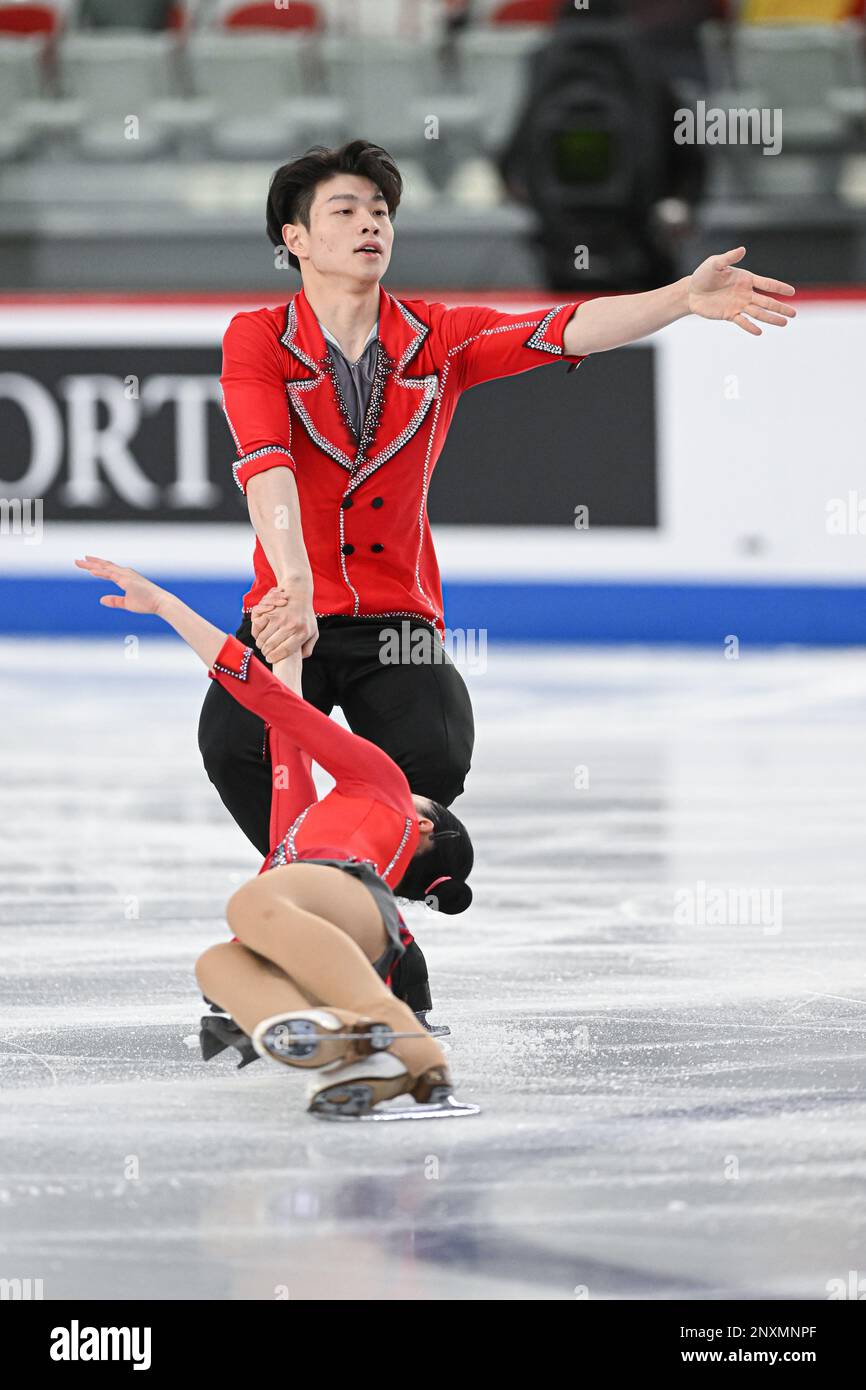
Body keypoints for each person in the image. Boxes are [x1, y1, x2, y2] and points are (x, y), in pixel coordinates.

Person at [197, 137, 796, 1019]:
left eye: (382, 212)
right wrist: (293, 587)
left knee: (431, 758)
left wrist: (679, 298)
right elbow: (266, 462)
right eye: (345, 212)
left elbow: (561, 330)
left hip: (395, 615)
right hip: (292, 603)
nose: (371, 225)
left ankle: (327, 923)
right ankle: (354, 933)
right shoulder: (258, 339)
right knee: (234, 746)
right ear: (294, 238)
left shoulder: (439, 338)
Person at [75, 553, 478, 1123]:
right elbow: (281, 707)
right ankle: (346, 1053)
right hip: (325, 926)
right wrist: (285, 649)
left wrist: (166, 606)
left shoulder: (383, 786)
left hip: (342, 901)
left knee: (252, 901)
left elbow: (258, 690)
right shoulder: (299, 823)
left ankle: (402, 1045)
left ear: (426, 824)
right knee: (219, 964)